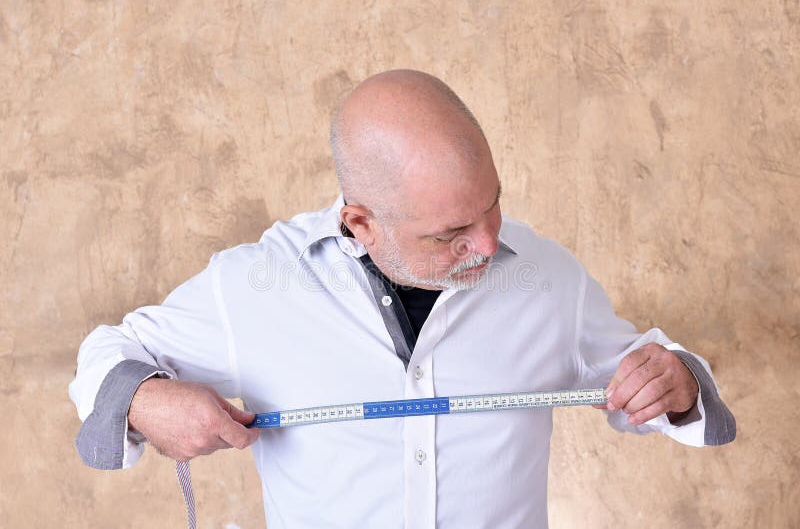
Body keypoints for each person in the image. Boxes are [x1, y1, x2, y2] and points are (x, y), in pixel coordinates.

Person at [69, 69, 735, 528]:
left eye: (493, 205)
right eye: (450, 234)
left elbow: (655, 382)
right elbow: (111, 353)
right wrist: (145, 398)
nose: (488, 243)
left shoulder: (548, 276)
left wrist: (673, 383)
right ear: (360, 222)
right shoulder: (256, 285)